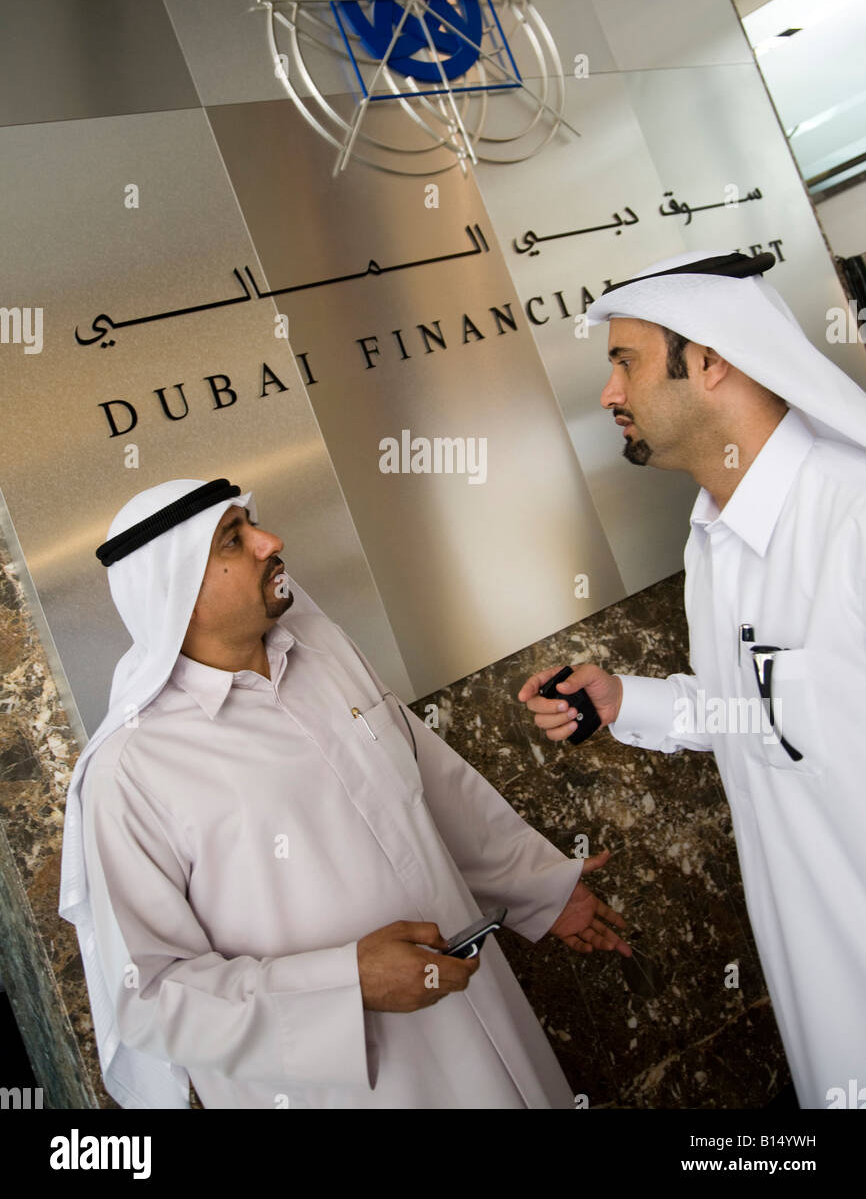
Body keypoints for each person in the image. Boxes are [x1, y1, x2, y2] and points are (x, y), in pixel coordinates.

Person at [60, 477, 630, 1110]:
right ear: (176, 590)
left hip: (481, 1011)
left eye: (253, 522)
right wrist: (347, 984)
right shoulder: (131, 771)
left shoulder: (323, 652)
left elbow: (430, 787)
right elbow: (152, 996)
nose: (270, 541)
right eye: (234, 536)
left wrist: (541, 890)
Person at [519, 249, 866, 1110]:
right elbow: (765, 713)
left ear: (709, 360)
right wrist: (624, 698)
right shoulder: (711, 537)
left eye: (624, 362)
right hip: (821, 969)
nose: (608, 395)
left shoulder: (852, 516)